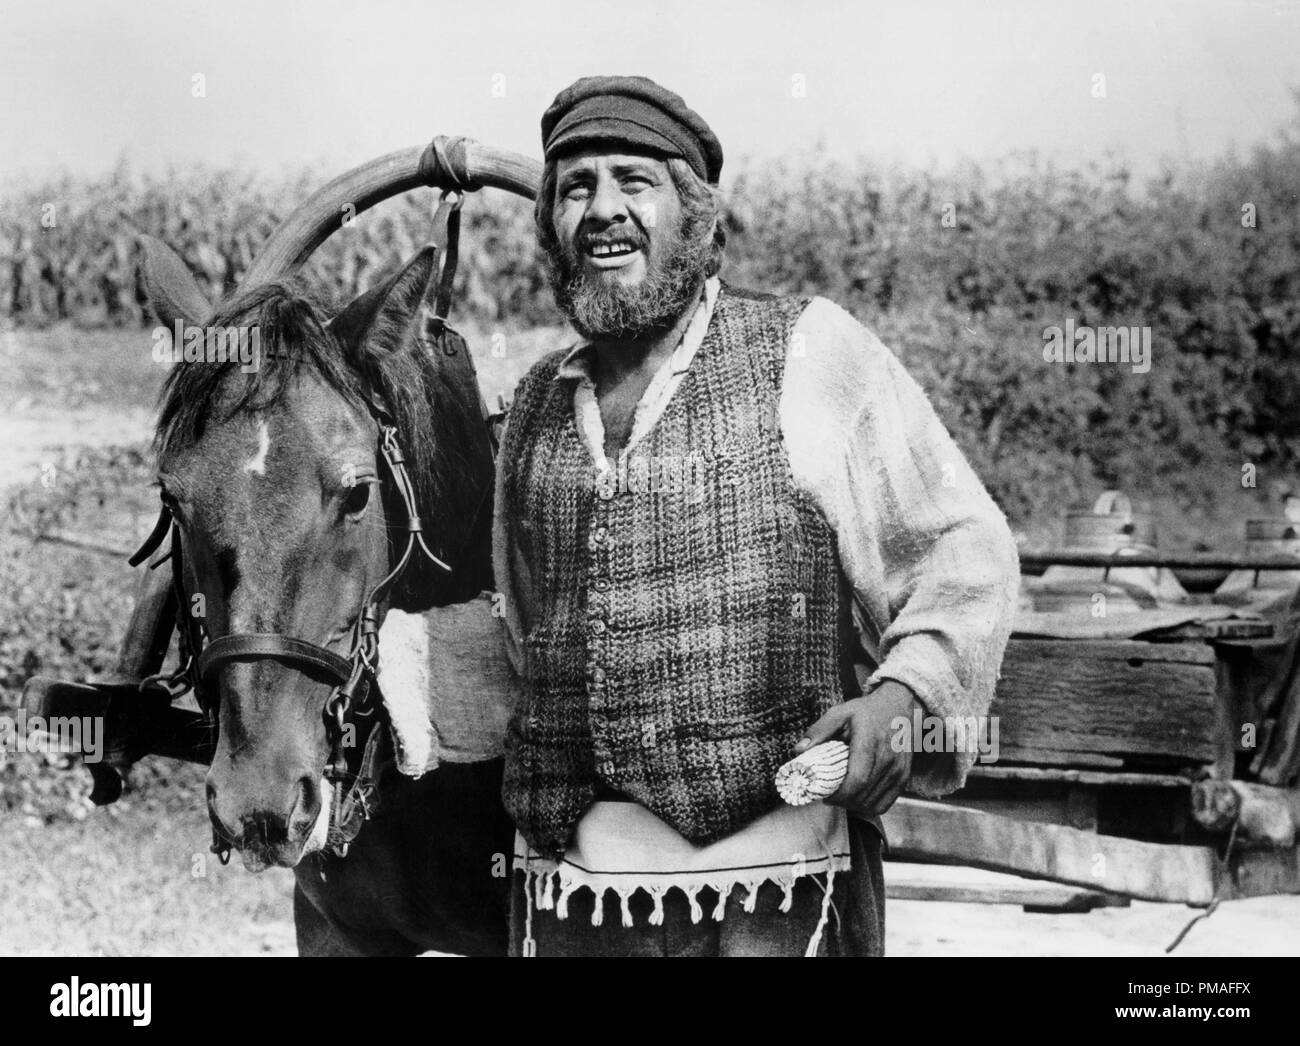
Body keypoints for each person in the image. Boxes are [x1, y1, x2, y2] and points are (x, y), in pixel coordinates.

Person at [492, 75, 1021, 956]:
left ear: (696, 216)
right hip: (573, 899)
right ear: (550, 222)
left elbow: (963, 545)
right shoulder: (537, 405)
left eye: (634, 180)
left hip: (779, 893)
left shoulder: (811, 353)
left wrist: (905, 696)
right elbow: (519, 632)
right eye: (575, 187)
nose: (602, 210)